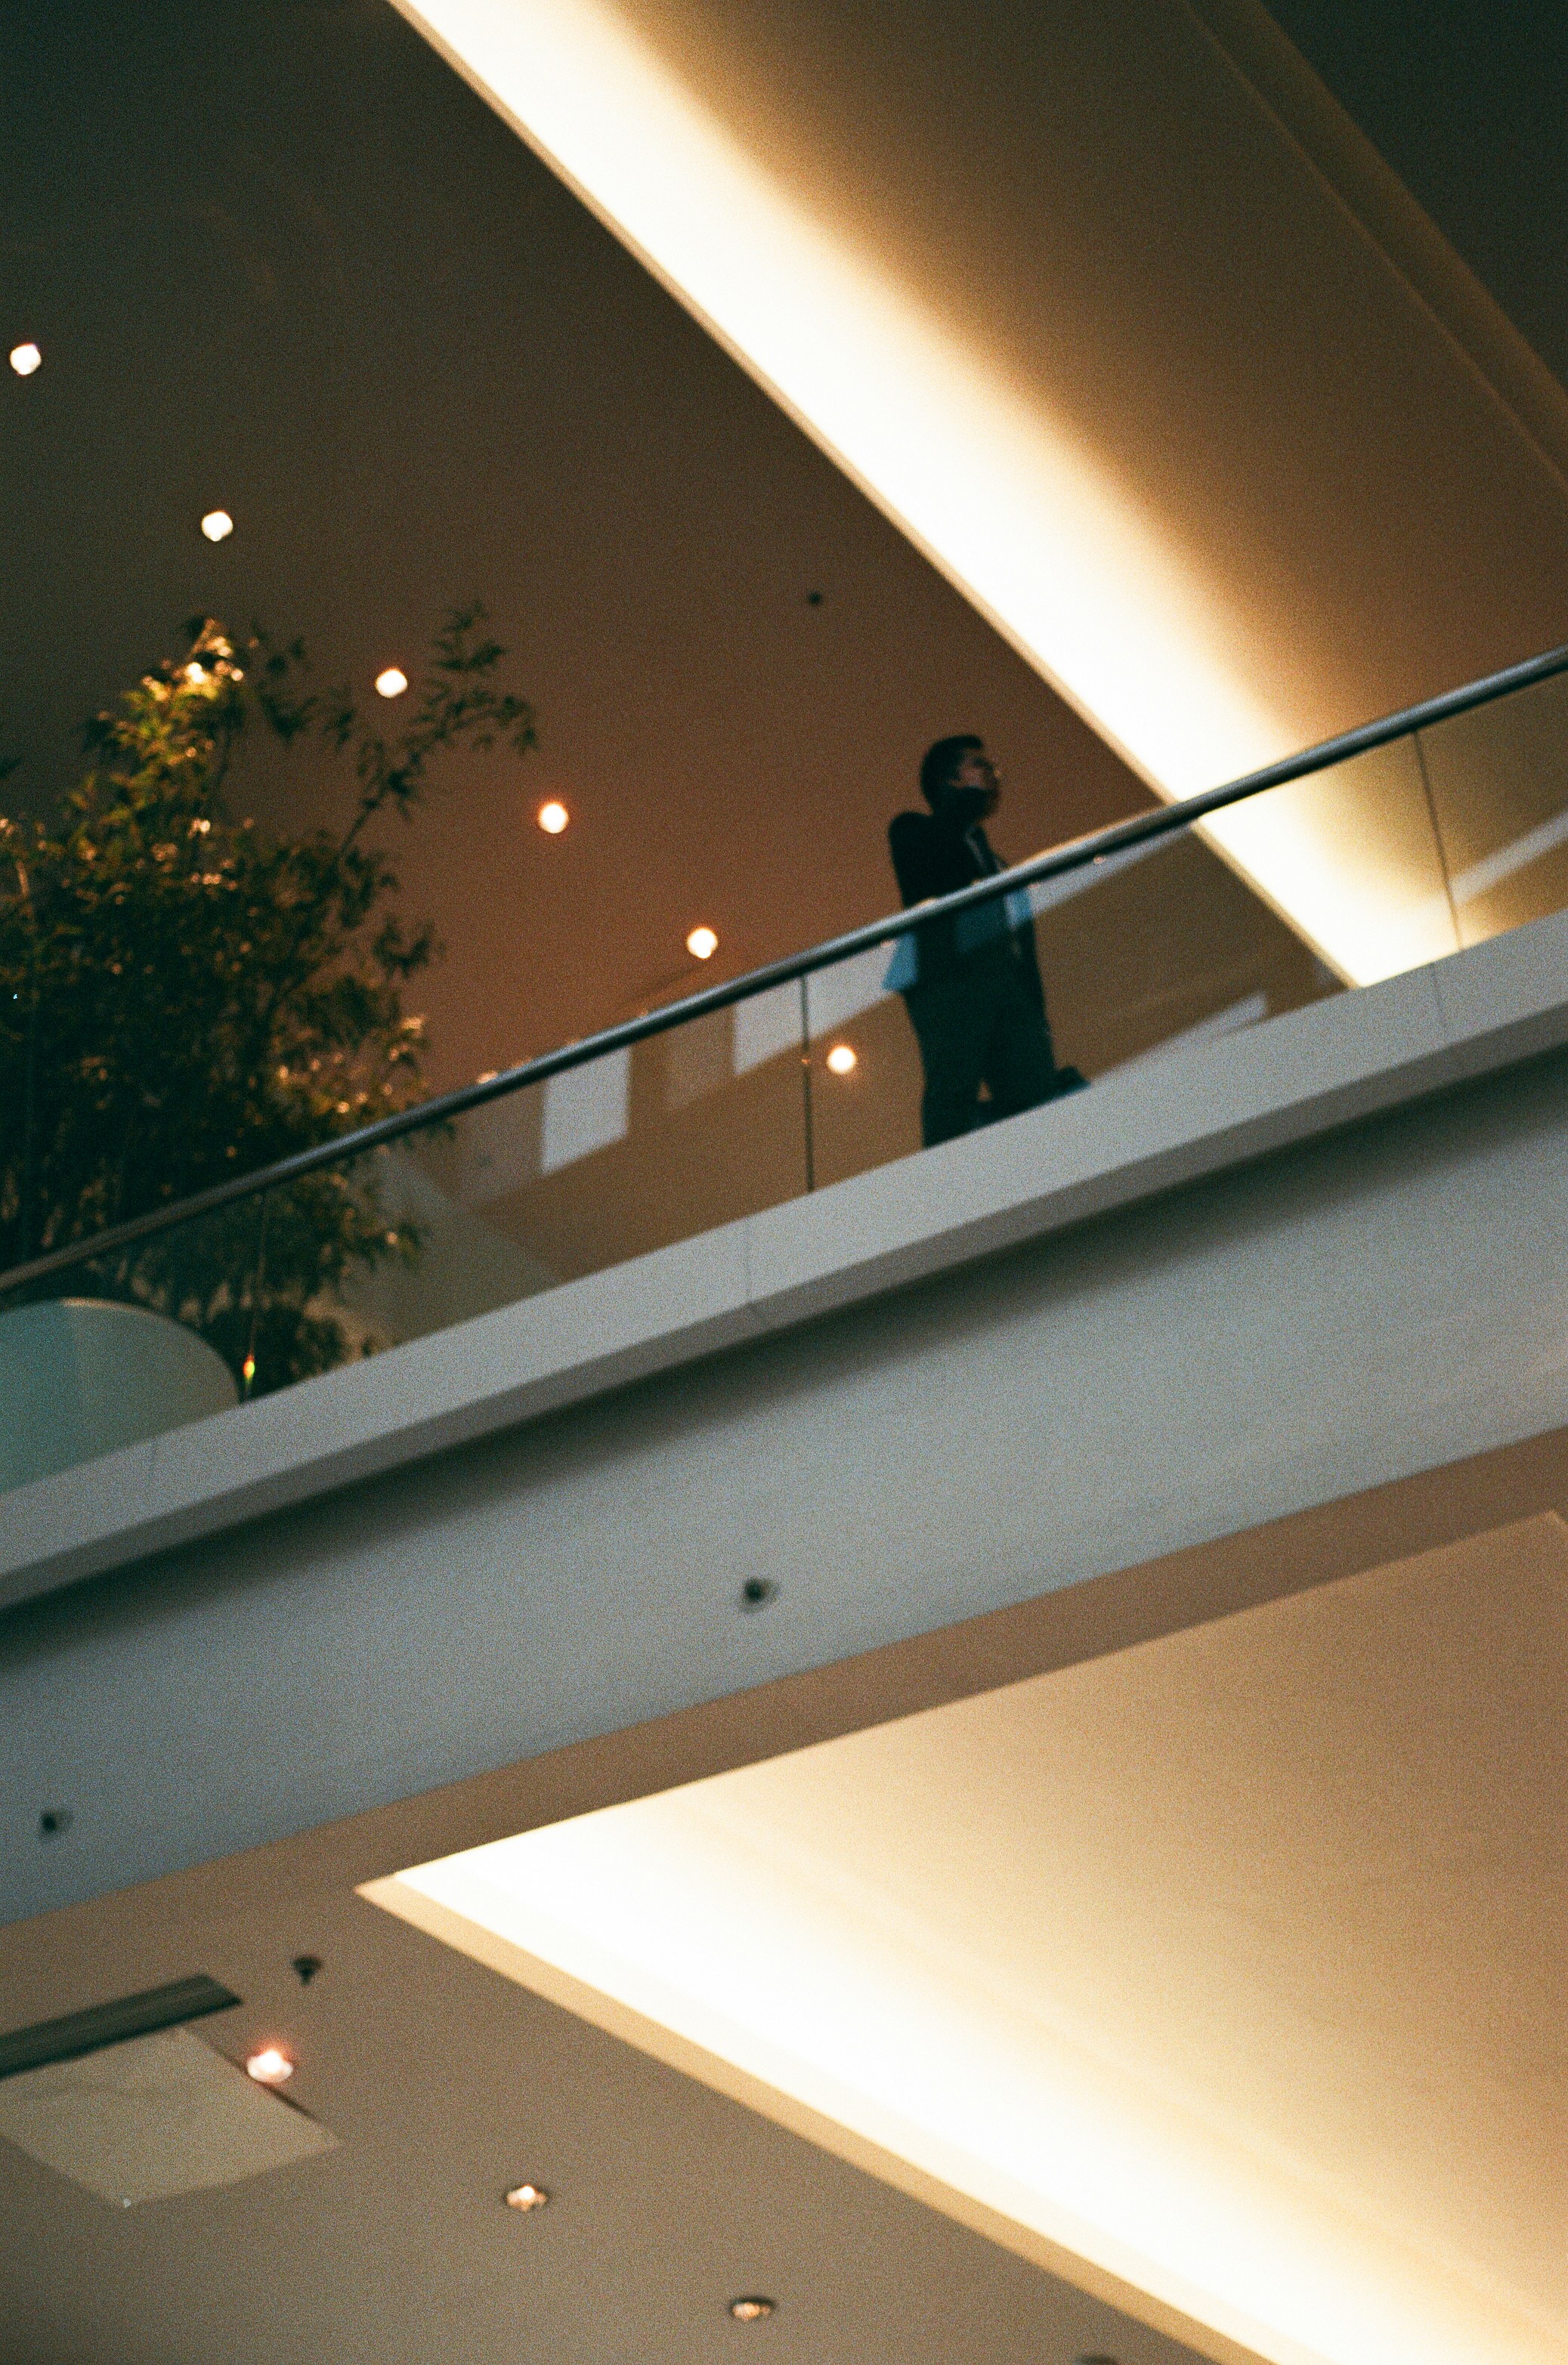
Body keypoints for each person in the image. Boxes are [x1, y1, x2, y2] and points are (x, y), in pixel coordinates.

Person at [887, 735, 1082, 1146]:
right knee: (953, 1087)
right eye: (980, 766)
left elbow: (1023, 950)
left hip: (1009, 989)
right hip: (951, 983)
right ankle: (947, 1172)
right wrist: (964, 801)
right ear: (949, 779)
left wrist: (1037, 1013)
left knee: (1035, 1094)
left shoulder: (998, 866)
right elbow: (929, 880)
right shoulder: (913, 830)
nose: (994, 777)